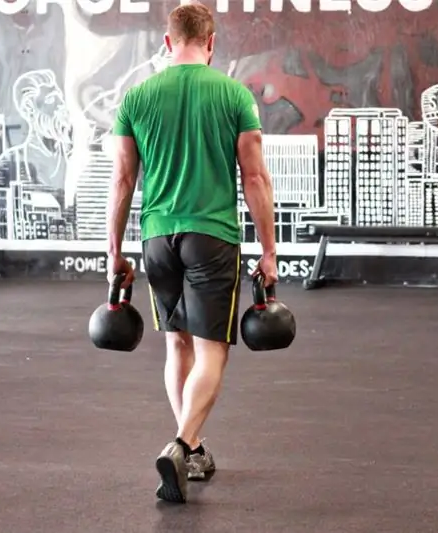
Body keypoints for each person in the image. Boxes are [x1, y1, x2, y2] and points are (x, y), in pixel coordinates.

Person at [104, 2, 278, 504]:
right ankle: (182, 445)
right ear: (212, 42)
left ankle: (194, 449)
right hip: (212, 237)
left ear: (167, 42)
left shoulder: (136, 97)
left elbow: (122, 180)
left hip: (157, 238)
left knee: (176, 345)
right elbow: (255, 177)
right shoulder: (234, 95)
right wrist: (269, 252)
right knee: (211, 350)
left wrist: (114, 252)